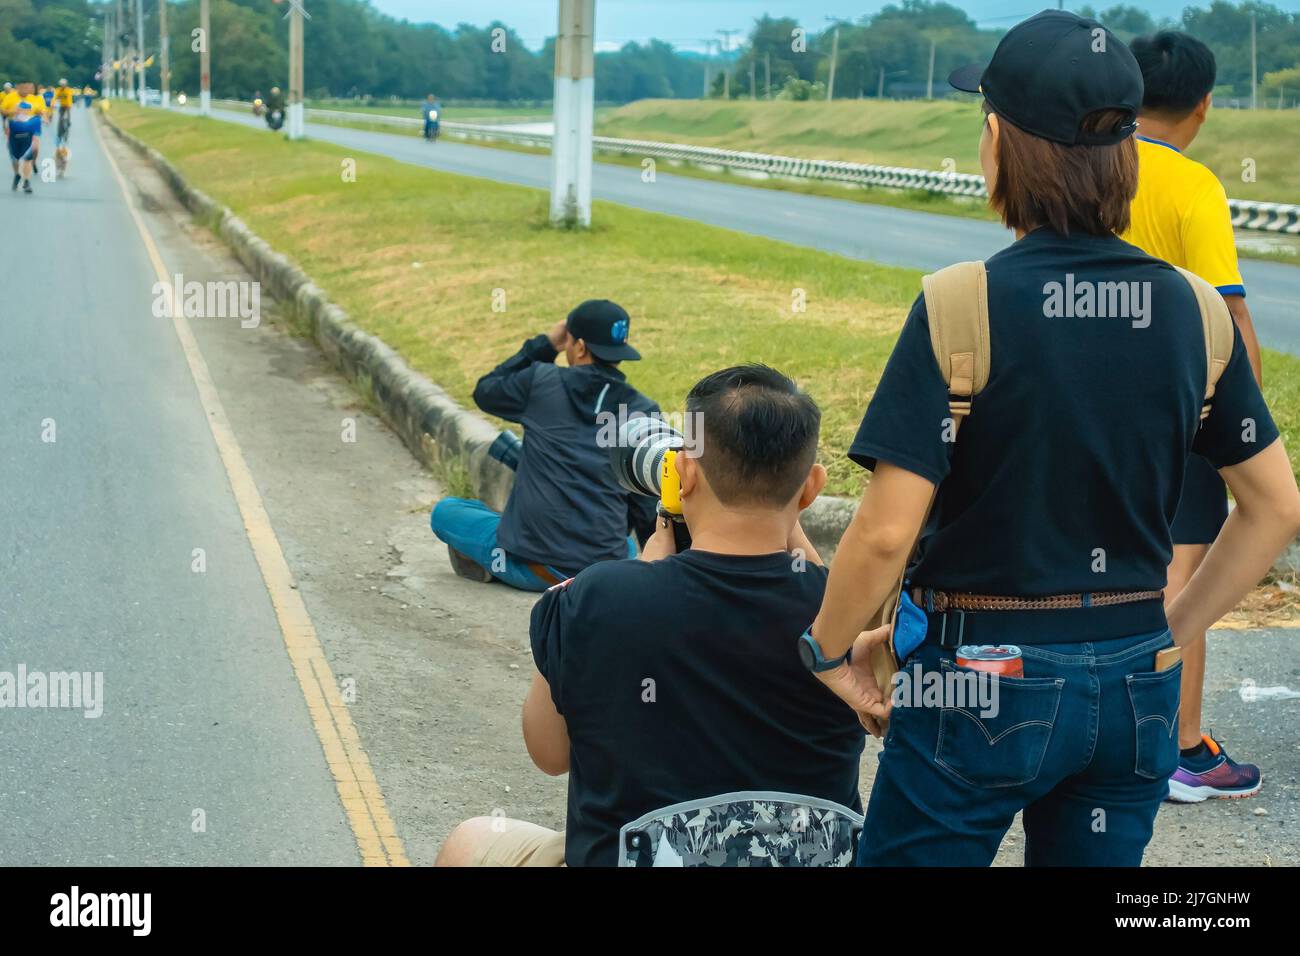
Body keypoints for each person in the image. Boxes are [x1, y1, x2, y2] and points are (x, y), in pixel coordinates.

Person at [801, 10, 1300, 867]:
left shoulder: (962, 304)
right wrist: (1168, 633)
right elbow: (1274, 508)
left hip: (977, 680)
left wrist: (829, 650)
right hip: (1137, 684)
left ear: (998, 141)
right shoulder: (1194, 309)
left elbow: (885, 533)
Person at [435, 365, 866, 867]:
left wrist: (635, 580)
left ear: (683, 474)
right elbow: (821, 587)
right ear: (812, 487)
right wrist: (790, 525)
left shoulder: (595, 600)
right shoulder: (849, 624)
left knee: (469, 840)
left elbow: (548, 754)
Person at [1121, 30, 1265, 804]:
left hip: (1082, 403)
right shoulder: (1193, 185)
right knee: (1185, 575)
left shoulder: (1088, 165)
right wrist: (1249, 421)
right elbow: (1229, 312)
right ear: (1203, 106)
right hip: (1180, 406)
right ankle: (1180, 748)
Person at [430, 300, 659, 591]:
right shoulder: (643, 409)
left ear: (578, 347)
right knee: (623, 543)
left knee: (447, 511)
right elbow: (644, 504)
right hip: (600, 572)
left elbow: (486, 391)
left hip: (536, 569)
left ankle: (493, 564)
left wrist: (547, 344)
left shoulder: (540, 381)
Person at [7, 97, 42, 194]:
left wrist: (36, 143)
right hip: (14, 142)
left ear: (29, 110)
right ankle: (17, 174)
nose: (22, 111)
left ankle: (26, 181)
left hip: (27, 142)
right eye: (20, 108)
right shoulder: (11, 120)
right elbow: (8, 131)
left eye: (25, 109)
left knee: (27, 161)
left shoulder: (34, 120)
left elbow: (36, 134)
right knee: (15, 161)